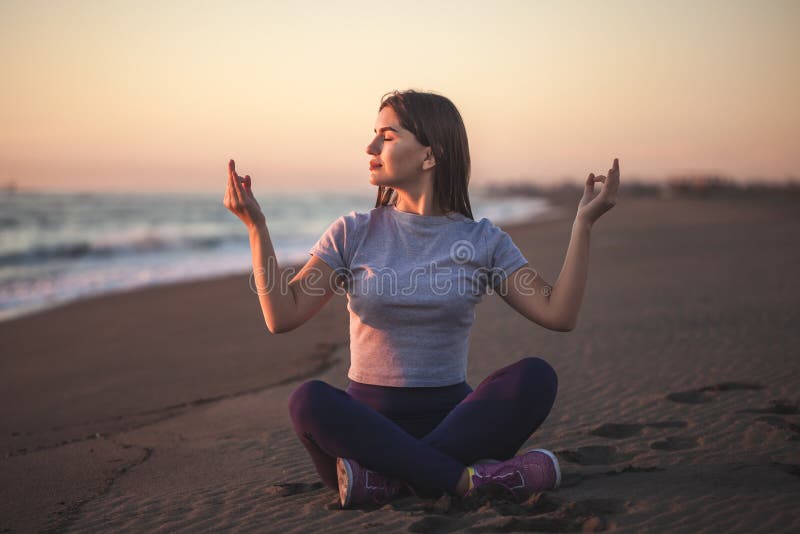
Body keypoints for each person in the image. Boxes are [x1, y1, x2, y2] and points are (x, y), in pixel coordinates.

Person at [223, 89, 620, 508]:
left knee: (536, 377)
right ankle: (465, 480)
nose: (370, 147)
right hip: (364, 431)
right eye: (373, 135)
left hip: (456, 425)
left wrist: (584, 224)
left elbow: (558, 313)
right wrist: (256, 227)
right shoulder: (352, 232)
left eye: (387, 137)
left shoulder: (482, 241)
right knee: (308, 401)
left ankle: (390, 482)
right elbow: (282, 315)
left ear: (430, 156)